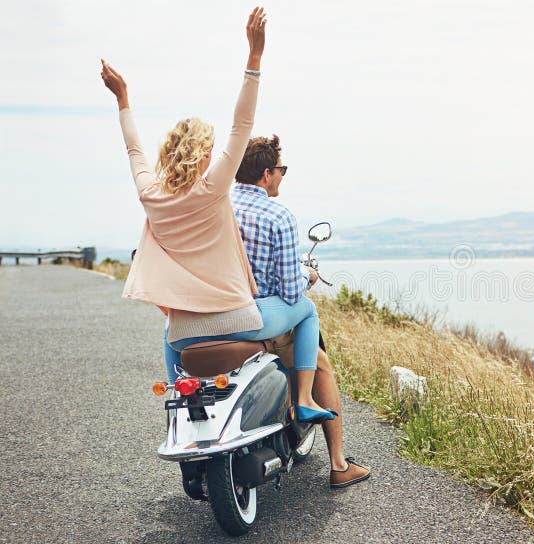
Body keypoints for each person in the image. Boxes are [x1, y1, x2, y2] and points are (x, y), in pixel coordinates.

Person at [101, 7, 333, 423]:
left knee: (172, 339)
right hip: (238, 317)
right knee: (308, 311)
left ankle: (180, 410)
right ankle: (303, 399)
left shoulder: (151, 195)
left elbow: (134, 149)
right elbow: (242, 122)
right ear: (206, 154)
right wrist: (255, 56)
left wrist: (123, 99)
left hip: (186, 329)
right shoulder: (213, 188)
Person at [231, 135, 370, 488]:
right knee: (319, 354)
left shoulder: (218, 207)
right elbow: (289, 290)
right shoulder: (278, 215)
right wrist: (306, 274)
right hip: (260, 321)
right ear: (266, 173)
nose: (281, 176)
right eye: (281, 170)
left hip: (217, 317)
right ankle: (338, 463)